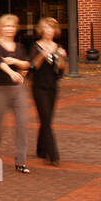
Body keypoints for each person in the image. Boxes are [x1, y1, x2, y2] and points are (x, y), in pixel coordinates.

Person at [0, 14, 32, 174]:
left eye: (12, 26)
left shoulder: (19, 47)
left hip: (17, 90)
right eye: (6, 26)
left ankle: (21, 161)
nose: (9, 29)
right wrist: (11, 72)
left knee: (22, 123)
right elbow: (0, 62)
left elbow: (26, 63)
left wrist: (17, 64)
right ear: (0, 28)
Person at [29, 17, 65, 165]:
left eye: (52, 28)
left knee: (47, 119)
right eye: (46, 28)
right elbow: (33, 67)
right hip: (39, 87)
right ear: (41, 30)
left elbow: (61, 72)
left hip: (53, 86)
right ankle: (53, 155)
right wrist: (41, 56)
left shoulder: (58, 47)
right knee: (45, 118)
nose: (49, 31)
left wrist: (62, 59)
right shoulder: (36, 46)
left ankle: (41, 149)